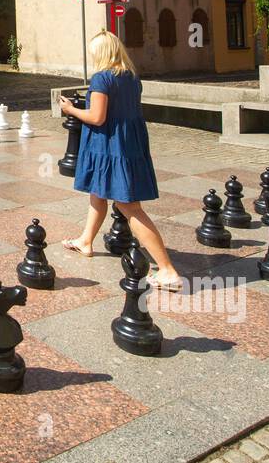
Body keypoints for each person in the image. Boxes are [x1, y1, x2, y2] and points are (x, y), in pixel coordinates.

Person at [57, 29, 182, 291]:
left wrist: (70, 109)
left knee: (129, 207)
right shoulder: (131, 77)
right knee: (98, 193)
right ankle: (86, 241)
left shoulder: (103, 78)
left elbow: (97, 117)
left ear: (101, 53)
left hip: (110, 146)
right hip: (128, 143)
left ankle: (167, 269)